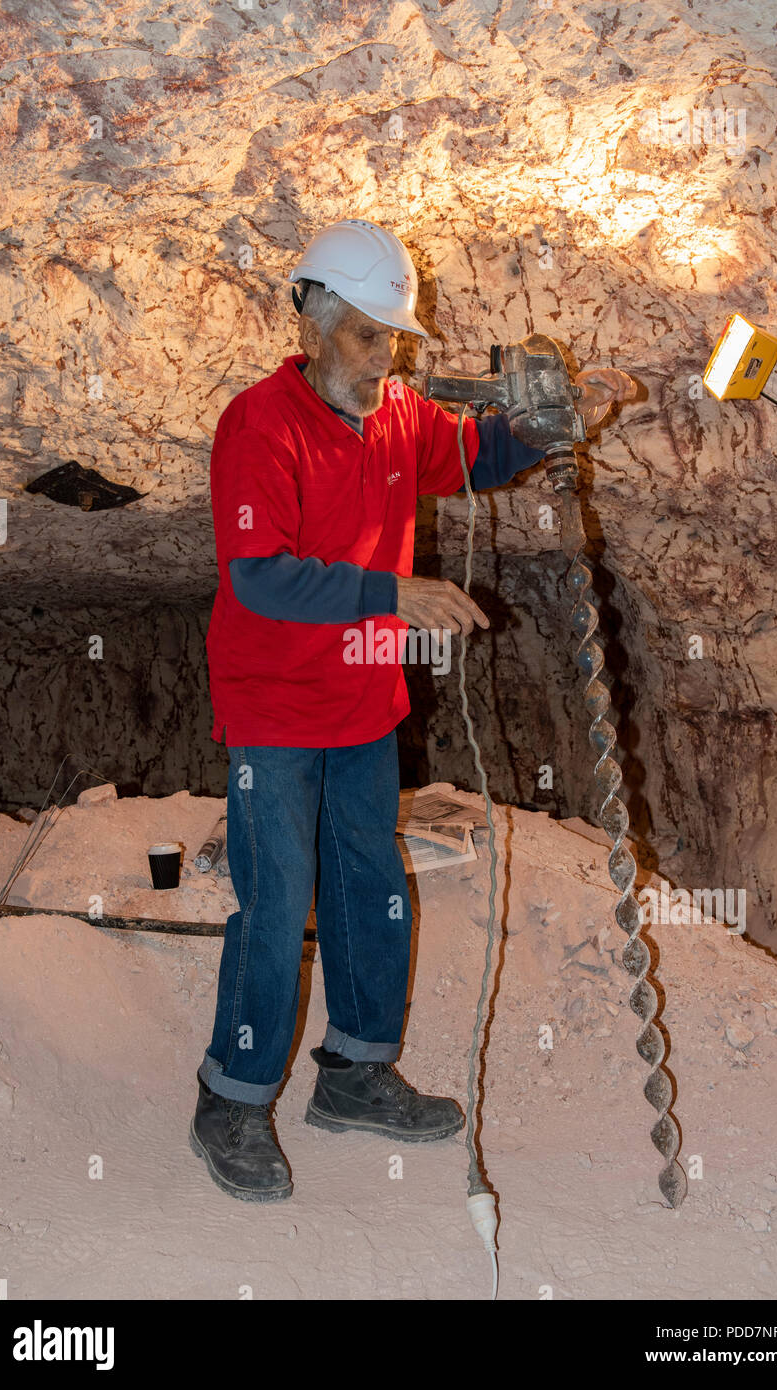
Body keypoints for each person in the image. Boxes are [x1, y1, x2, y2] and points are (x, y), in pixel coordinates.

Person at [190, 218, 636, 1201]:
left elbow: (473, 454)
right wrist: (388, 596)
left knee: (371, 885)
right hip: (274, 709)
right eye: (362, 335)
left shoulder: (393, 416)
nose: (381, 357)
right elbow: (259, 576)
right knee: (276, 907)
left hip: (362, 702)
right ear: (310, 320)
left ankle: (356, 1073)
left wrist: (550, 422)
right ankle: (229, 1099)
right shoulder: (258, 425)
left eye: (390, 338)